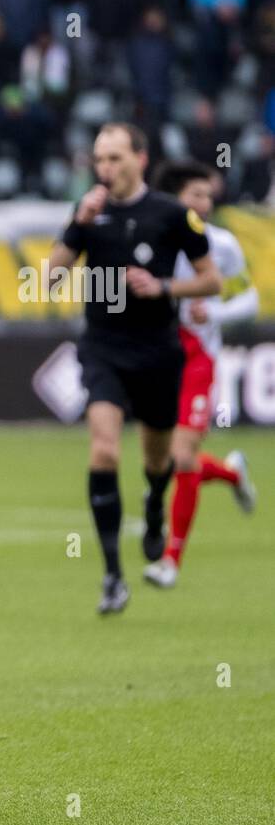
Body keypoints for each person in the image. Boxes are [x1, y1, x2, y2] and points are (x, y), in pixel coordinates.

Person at [46, 122, 221, 615]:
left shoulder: (172, 215)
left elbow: (212, 282)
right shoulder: (88, 212)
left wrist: (164, 287)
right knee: (104, 450)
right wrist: (77, 225)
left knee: (156, 459)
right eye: (100, 160)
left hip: (158, 352)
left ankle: (153, 506)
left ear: (140, 160)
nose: (106, 169)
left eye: (116, 158)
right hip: (103, 347)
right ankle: (112, 575)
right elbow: (50, 277)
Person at [143, 160, 258, 588]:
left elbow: (250, 298)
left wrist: (214, 309)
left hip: (197, 360)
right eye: (197, 195)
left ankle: (170, 560)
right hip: (157, 359)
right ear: (175, 199)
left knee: (183, 457)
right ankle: (231, 473)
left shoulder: (222, 245)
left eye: (209, 196)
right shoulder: (152, 239)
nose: (206, 204)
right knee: (166, 459)